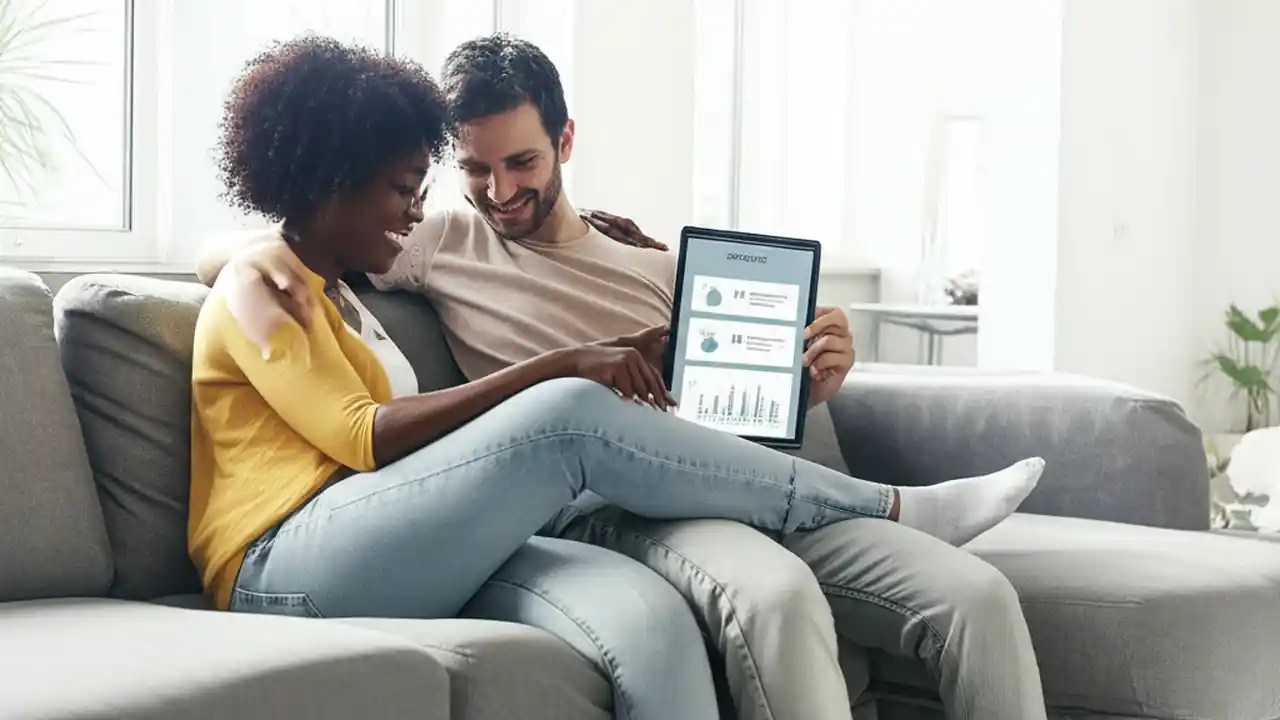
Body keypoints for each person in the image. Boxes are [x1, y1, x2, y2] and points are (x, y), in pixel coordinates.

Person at [198, 36, 1049, 720]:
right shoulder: (423, 248)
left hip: (712, 467)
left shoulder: (659, 264)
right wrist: (248, 252)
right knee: (603, 436)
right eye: (469, 172)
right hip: (561, 509)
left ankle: (876, 510)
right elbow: (343, 395)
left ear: (564, 143)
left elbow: (732, 406)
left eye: (522, 163)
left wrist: (806, 384)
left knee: (960, 600)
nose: (493, 192)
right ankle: (889, 501)